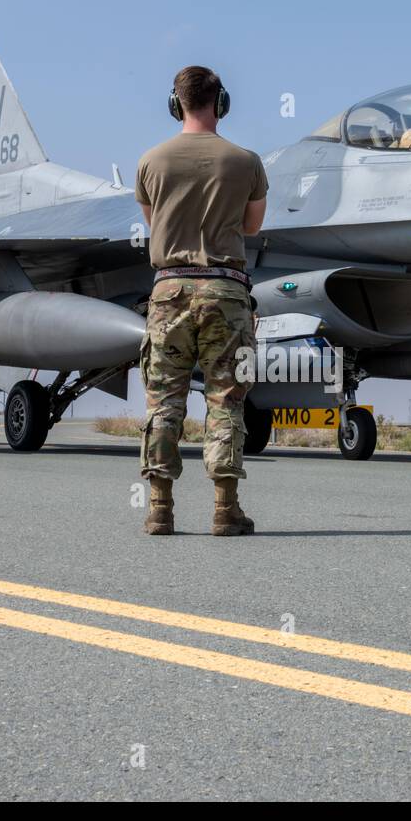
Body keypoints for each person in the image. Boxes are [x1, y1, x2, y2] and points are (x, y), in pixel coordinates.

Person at [134, 65, 268, 536]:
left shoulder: (152, 161)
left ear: (176, 103)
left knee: (164, 400)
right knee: (226, 400)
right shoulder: (245, 161)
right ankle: (225, 509)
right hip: (227, 292)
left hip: (169, 292)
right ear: (221, 102)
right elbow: (251, 228)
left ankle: (159, 508)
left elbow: (156, 225)